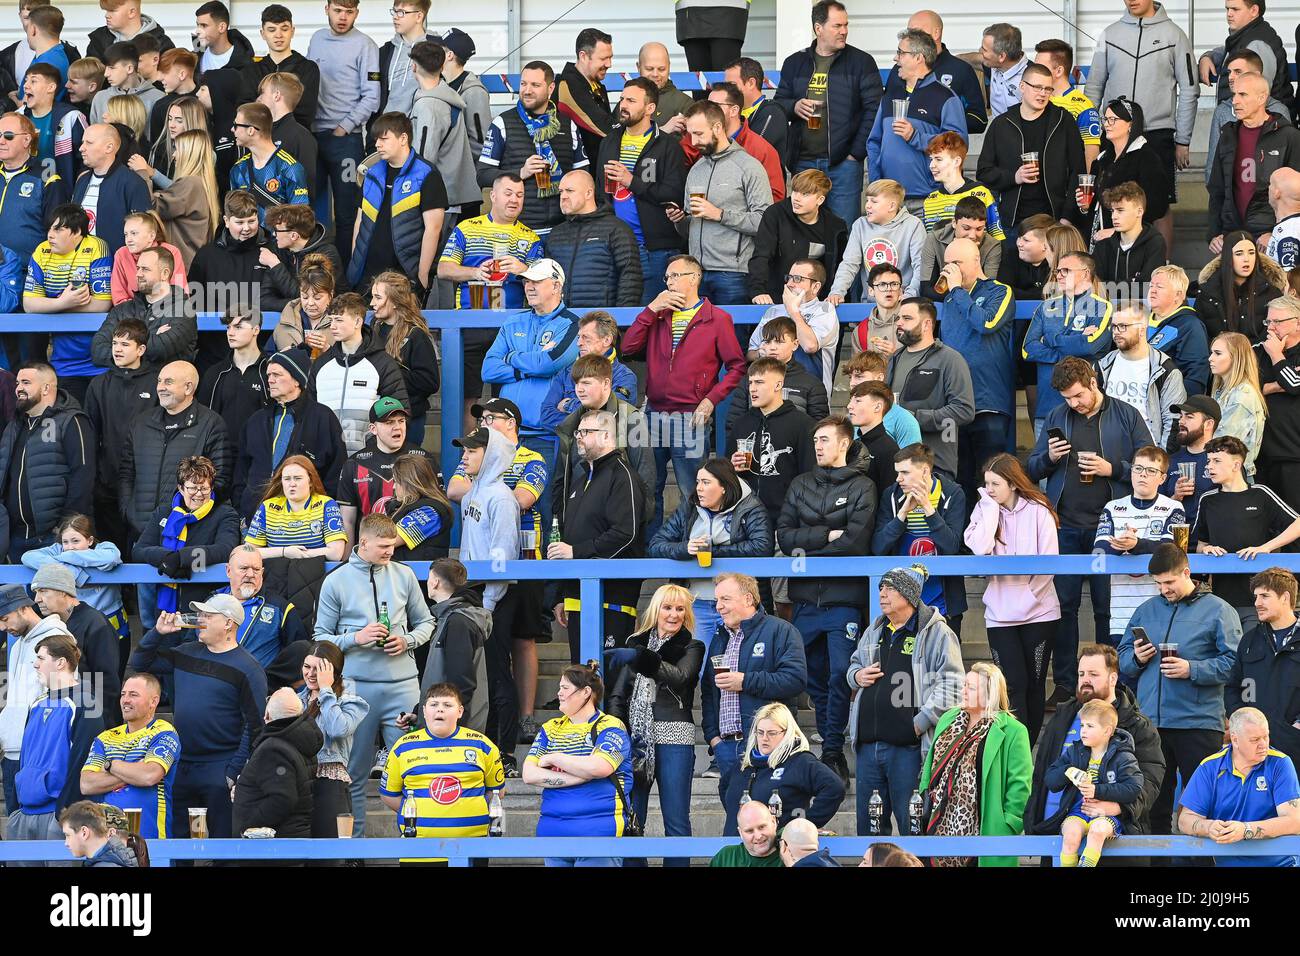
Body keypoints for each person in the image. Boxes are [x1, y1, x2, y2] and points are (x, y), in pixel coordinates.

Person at [1028, 356, 1153, 699]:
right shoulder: (1057, 416)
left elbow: (1149, 467)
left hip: (1110, 526)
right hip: (1064, 524)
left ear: (1094, 382)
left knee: (1106, 608)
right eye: (1067, 398)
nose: (1073, 403)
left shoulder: (1126, 414)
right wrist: (1049, 458)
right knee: (1063, 607)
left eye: (1078, 396)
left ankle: (1111, 685)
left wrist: (1111, 468)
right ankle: (1067, 684)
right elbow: (1032, 468)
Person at [315, 512, 434, 837]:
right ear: (362, 543)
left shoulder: (404, 574)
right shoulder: (336, 580)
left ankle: (414, 845)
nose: (389, 552)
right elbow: (320, 637)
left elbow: (427, 623)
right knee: (352, 772)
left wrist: (407, 639)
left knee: (411, 769)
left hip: (402, 689)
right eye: (383, 547)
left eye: (392, 546)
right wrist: (356, 637)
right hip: (357, 690)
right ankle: (354, 850)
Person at [1118, 543, 1243, 837]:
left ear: (1187, 573)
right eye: (1158, 583)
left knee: (1203, 809)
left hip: (1198, 724)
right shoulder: (1146, 610)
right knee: (1152, 808)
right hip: (1151, 725)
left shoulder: (1220, 611)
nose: (1164, 589)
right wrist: (1137, 657)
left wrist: (1193, 669)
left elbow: (1235, 665)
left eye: (1169, 582)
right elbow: (1123, 657)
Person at [775, 416, 875, 780]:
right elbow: (785, 537)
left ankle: (833, 750)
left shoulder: (864, 485)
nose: (817, 446)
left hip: (844, 600)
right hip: (803, 600)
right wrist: (824, 536)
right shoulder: (801, 483)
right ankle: (825, 741)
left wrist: (807, 550)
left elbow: (855, 543)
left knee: (838, 676)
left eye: (825, 440)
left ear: (844, 444)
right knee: (809, 677)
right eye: (815, 440)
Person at [622, 255, 745, 532]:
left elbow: (737, 366)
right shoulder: (658, 314)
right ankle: (651, 552)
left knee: (693, 489)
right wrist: (651, 309)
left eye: (675, 276)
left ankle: (691, 559)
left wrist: (711, 400)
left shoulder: (717, 319)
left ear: (694, 278)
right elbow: (628, 348)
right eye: (667, 277)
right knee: (647, 487)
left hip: (691, 416)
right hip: (653, 413)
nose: (669, 282)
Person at [127, 594, 264, 840]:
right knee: (179, 838)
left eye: (207, 616)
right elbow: (140, 662)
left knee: (222, 841)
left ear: (228, 623)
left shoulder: (249, 667)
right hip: (182, 763)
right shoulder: (186, 652)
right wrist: (158, 632)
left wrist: (232, 771)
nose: (200, 620)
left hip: (220, 764)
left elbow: (254, 725)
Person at [1026, 643, 1165, 849]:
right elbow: (1042, 774)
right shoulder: (1062, 716)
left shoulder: (1136, 725)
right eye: (1081, 674)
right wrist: (1032, 820)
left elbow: (1149, 782)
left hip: (1112, 839)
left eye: (1093, 674)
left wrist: (1120, 808)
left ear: (1113, 678)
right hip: (1055, 835)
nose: (1085, 680)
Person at [1086, 0, 1196, 253]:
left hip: (1158, 133)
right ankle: (1113, 262)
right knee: (1111, 200)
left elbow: (1189, 89)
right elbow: (1093, 87)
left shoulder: (1175, 35)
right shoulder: (1110, 34)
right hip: (1113, 134)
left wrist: (1183, 140)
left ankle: (1162, 267)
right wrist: (1089, 135)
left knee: (1160, 204)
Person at [966, 453, 1062, 743]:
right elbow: (979, 548)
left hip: (1039, 613)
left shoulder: (1039, 511)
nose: (990, 489)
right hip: (999, 614)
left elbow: (1049, 564)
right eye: (986, 484)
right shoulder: (985, 510)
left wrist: (1027, 600)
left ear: (1013, 484)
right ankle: (1014, 747)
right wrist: (990, 510)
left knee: (1034, 683)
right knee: (1011, 684)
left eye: (995, 484)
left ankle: (1028, 751)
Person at [605, 584, 703, 865]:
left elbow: (680, 677)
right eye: (667, 607)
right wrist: (619, 733)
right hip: (636, 740)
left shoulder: (692, 645)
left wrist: (640, 657)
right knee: (632, 820)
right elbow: (617, 695)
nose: (673, 614)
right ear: (656, 610)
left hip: (676, 739)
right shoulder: (636, 641)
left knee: (677, 823)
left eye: (680, 609)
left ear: (687, 614)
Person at [700, 572, 807, 814]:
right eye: (717, 600)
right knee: (735, 824)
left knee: (768, 822)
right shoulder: (720, 637)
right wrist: (713, 737)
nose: (718, 607)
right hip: (726, 747)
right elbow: (708, 690)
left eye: (725, 599)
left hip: (767, 746)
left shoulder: (781, 630)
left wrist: (745, 681)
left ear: (748, 599)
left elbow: (795, 679)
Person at [548, 409, 647, 663]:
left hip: (612, 597)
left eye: (585, 432)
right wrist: (562, 596)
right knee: (580, 672)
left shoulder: (623, 476)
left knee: (607, 676)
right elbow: (570, 538)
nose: (578, 437)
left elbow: (626, 533)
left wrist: (576, 553)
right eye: (578, 432)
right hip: (577, 595)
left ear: (606, 436)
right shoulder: (580, 480)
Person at [775, 1, 883, 228]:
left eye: (846, 25)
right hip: (803, 163)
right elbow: (778, 104)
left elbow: (874, 110)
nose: (844, 31)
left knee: (843, 230)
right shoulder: (795, 63)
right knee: (802, 231)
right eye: (837, 26)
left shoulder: (861, 62)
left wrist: (855, 153)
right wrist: (794, 106)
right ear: (818, 28)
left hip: (843, 165)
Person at [451, 427, 525, 760]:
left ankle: (505, 751)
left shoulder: (501, 497)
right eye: (463, 451)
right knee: (478, 673)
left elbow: (503, 553)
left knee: (497, 672)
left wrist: (490, 604)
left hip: (495, 595)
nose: (464, 456)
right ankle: (485, 742)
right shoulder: (471, 495)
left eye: (472, 451)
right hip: (472, 592)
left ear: (491, 454)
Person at [918, 663, 1033, 866]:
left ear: (990, 693)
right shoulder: (948, 719)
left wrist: (1009, 824)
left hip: (986, 830)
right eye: (964, 685)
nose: (962, 691)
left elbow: (1020, 785)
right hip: (938, 827)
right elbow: (930, 764)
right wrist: (924, 795)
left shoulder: (1014, 730)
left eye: (970, 688)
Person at [648, 458, 772, 646]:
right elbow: (655, 545)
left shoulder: (750, 507)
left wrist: (714, 551)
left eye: (706, 482)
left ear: (724, 487)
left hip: (738, 602)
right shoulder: (689, 508)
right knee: (697, 666)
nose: (699, 488)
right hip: (696, 602)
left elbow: (761, 547)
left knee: (739, 664)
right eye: (698, 482)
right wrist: (685, 548)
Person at [523, 663, 631, 866]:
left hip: (598, 834)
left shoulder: (611, 725)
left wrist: (554, 758)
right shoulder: (550, 727)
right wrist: (580, 775)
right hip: (552, 833)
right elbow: (529, 774)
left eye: (565, 688)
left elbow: (601, 767)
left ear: (586, 692)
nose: (559, 693)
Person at [381, 682, 503, 861]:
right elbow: (389, 796)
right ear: (424, 711)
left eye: (447, 705)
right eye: (434, 704)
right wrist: (423, 813)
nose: (440, 710)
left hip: (472, 849)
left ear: (460, 711)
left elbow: (497, 793)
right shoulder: (403, 747)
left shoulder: (482, 745)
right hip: (417, 850)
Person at [935, 236, 1015, 506]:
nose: (950, 269)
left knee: (990, 477)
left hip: (988, 401)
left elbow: (986, 323)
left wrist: (957, 290)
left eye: (956, 262)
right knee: (958, 478)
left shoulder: (999, 291)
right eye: (946, 263)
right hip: (954, 405)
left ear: (976, 261)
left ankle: (994, 543)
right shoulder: (949, 300)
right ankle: (963, 544)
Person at [592, 76, 686, 302]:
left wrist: (631, 181)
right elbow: (600, 193)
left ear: (650, 108)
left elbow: (673, 193)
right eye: (622, 99)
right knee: (615, 319)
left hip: (652, 249)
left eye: (631, 101)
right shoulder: (609, 142)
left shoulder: (667, 145)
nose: (623, 105)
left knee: (651, 318)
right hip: (614, 247)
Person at [1194, 435, 1300, 633]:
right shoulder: (1207, 499)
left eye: (1217, 461)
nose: (1209, 467)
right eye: (1208, 461)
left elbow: (1297, 524)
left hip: (1258, 599)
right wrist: (1206, 549)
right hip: (1220, 600)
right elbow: (1199, 544)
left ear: (1236, 465)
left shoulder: (1261, 493)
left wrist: (1266, 547)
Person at [476, 60, 589, 239]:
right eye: (523, 84)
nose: (527, 90)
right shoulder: (502, 123)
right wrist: (520, 172)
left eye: (535, 85)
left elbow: (583, 174)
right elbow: (482, 175)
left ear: (551, 88)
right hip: (518, 230)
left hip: (563, 229)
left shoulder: (568, 124)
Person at [119, 361, 230, 542]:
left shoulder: (211, 424)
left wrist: (188, 513)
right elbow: (126, 473)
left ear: (188, 387)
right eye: (159, 381)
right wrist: (127, 509)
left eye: (168, 382)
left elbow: (220, 479)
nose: (160, 387)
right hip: (139, 530)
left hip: (187, 531)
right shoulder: (141, 423)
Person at [232, 348, 346, 520]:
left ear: (297, 380)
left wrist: (321, 511)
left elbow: (335, 471)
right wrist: (242, 507)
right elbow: (241, 470)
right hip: (255, 518)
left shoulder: (322, 417)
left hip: (305, 521)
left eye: (277, 375)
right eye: (269, 375)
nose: (270, 380)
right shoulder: (256, 420)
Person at [307, 0, 379, 270]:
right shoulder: (315, 39)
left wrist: (345, 126)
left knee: (348, 211)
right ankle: (314, 271)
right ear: (326, 9)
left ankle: (348, 273)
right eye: (338, 10)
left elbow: (372, 96)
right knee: (310, 209)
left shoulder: (366, 46)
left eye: (349, 12)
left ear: (356, 14)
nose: (343, 17)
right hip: (313, 138)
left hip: (345, 141)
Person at [1178, 707, 1300, 866]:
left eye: (1266, 736)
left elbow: (1295, 821)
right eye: (1255, 740)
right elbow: (1184, 820)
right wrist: (1209, 827)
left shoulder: (1280, 763)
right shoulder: (1210, 767)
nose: (1263, 744)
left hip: (1280, 864)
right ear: (1235, 740)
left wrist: (1246, 830)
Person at [130, 455, 239, 632]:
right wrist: (166, 558)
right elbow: (139, 551)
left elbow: (225, 550)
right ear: (181, 488)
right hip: (162, 614)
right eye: (192, 488)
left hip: (203, 611)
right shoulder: (163, 512)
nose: (198, 494)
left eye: (204, 488)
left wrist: (182, 558)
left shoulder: (225, 514)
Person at [680, 100, 772, 305]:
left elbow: (765, 222)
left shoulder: (749, 167)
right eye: (690, 134)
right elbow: (690, 226)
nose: (693, 142)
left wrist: (719, 214)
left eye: (699, 134)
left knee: (733, 337)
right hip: (696, 273)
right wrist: (679, 220)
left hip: (734, 274)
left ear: (718, 127)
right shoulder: (696, 169)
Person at [0, 363, 95, 560]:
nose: (18, 388)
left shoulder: (72, 420)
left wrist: (66, 528)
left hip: (53, 537)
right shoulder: (14, 425)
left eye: (26, 382)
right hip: (15, 537)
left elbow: (83, 476)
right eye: (17, 383)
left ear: (45, 388)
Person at [977, 62, 1086, 229]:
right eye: (1037, 87)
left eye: (1048, 89)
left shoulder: (1063, 121)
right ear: (1022, 86)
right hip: (1013, 222)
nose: (1042, 94)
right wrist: (1014, 177)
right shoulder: (1002, 124)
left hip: (1054, 221)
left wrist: (1066, 217)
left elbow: (1078, 171)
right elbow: (984, 172)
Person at [869, 28, 966, 214]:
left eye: (900, 53)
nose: (895, 59)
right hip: (889, 200)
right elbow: (874, 142)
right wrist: (877, 183)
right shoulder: (889, 96)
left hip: (928, 200)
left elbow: (958, 144)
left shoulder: (945, 97)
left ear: (918, 57)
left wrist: (915, 136)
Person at [347, 113, 446, 296]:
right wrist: (355, 262)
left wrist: (422, 276)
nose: (377, 144)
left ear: (403, 138)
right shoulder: (372, 174)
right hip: (366, 275)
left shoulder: (427, 174)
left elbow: (433, 228)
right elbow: (359, 221)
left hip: (404, 275)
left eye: (384, 138)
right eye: (376, 139)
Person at [873, 444, 967, 633]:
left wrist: (928, 509)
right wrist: (902, 515)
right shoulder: (891, 495)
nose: (898, 479)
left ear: (925, 470)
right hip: (901, 602)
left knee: (941, 660)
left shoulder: (952, 493)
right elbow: (878, 546)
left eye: (905, 473)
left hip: (942, 602)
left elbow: (952, 546)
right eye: (897, 473)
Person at [1095, 444, 1185, 642]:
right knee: (1125, 670)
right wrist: (1122, 544)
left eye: (1151, 470)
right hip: (1120, 612)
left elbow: (1170, 550)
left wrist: (1135, 545)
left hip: (1161, 609)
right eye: (1138, 468)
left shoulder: (1173, 508)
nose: (1142, 475)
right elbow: (1099, 552)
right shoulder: (1112, 507)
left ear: (1162, 478)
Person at [22, 204, 112, 398]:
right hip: (64, 364)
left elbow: (102, 304)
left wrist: (50, 306)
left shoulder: (97, 247)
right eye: (49, 229)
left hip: (100, 363)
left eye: (58, 229)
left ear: (77, 232)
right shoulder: (41, 251)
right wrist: (64, 302)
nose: (50, 235)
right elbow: (29, 305)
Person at [23, 516, 128, 674]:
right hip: (76, 627)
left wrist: (68, 558)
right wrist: (75, 573)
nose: (70, 547)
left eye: (75, 541)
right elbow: (27, 557)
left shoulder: (104, 547)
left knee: (111, 676)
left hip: (114, 626)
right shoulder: (58, 550)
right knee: (78, 676)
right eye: (65, 542)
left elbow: (112, 558)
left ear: (90, 540)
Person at [1047, 697, 1145, 867]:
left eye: (1090, 726)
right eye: (1082, 725)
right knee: (1070, 835)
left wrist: (1097, 790)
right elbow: (1050, 780)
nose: (1083, 731)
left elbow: (1133, 787)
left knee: (1097, 831)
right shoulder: (1075, 752)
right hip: (1078, 811)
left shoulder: (1123, 756)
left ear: (1107, 731)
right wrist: (1067, 771)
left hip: (1106, 815)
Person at [309, 293, 410, 456]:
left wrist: (377, 452)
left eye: (339, 320)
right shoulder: (321, 365)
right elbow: (309, 414)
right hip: (326, 460)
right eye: (331, 320)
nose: (332, 326)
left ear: (357, 321)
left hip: (370, 461)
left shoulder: (383, 363)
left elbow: (400, 412)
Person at [1208, 74, 1300, 251]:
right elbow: (1217, 189)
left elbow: (1296, 195)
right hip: (1232, 236)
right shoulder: (1228, 135)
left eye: (1242, 95)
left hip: (1271, 240)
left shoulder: (1289, 137)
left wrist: (1277, 233)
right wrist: (1214, 233)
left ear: (1262, 98)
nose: (1235, 101)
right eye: (1233, 94)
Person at [884, 298, 975, 479]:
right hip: (899, 463)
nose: (899, 323)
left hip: (935, 463)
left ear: (927, 325)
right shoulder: (895, 358)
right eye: (898, 318)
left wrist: (915, 418)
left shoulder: (950, 359)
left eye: (907, 318)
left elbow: (964, 410)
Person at [1022, 252, 1114, 428]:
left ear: (1085, 273)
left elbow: (1089, 346)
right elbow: (1027, 350)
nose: (1059, 275)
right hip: (1046, 408)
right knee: (1045, 456)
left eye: (1066, 270)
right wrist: (1070, 349)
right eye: (1058, 271)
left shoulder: (1101, 306)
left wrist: (1048, 339)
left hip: (1083, 409)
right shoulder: (1046, 306)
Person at [724, 701, 844, 835]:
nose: (764, 738)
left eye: (772, 733)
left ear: (786, 733)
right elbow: (724, 787)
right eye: (760, 732)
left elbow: (834, 788)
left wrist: (803, 824)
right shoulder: (743, 763)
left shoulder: (800, 761)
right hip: (735, 846)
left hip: (779, 849)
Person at [726, 357, 817, 527]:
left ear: (778, 385)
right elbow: (725, 475)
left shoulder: (803, 424)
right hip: (746, 518)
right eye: (751, 382)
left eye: (759, 382)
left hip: (787, 519)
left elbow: (809, 476)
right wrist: (732, 468)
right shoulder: (741, 424)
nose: (752, 388)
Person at [30, 563, 122, 726]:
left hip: (90, 722)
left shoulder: (95, 623)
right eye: (36, 592)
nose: (37, 599)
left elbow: (106, 682)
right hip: (59, 717)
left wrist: (94, 722)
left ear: (64, 591)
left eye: (43, 591)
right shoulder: (48, 623)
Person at [747, 169, 847, 310]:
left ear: (820, 200)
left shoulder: (835, 226)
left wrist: (836, 295)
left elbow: (839, 266)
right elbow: (761, 255)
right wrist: (758, 291)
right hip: (776, 299)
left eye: (805, 194)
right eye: (795, 191)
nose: (796, 198)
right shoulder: (775, 214)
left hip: (818, 303)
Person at [336, 396, 433, 542]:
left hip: (413, 554)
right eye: (389, 423)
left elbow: (435, 510)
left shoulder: (423, 459)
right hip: (369, 553)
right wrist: (346, 561)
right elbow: (347, 520)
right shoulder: (354, 464)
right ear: (373, 429)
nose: (397, 427)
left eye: (401, 421)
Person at [230, 687, 322, 840]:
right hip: (293, 839)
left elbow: (282, 799)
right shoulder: (300, 740)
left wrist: (247, 828)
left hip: (272, 847)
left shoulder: (273, 748)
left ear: (267, 715)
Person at [1229, 568, 1300, 764]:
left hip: (1295, 745)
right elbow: (1234, 686)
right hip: (1253, 748)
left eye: (1265, 596)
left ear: (1285, 597)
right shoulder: (1249, 640)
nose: (1257, 603)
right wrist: (1241, 722)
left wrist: (1295, 727)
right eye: (1256, 597)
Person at [1078, 99, 1171, 247]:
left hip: (1130, 243)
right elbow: (1095, 203)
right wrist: (1085, 206)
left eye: (1113, 119)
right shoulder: (1102, 159)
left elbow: (1156, 205)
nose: (1107, 124)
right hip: (1097, 238)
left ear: (1130, 124)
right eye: (1105, 119)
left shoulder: (1146, 158)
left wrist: (1117, 230)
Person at [544, 170, 642, 308]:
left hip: (601, 323)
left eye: (570, 191)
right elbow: (547, 280)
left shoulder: (616, 229)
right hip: (562, 322)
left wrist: (620, 322)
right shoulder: (556, 233)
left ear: (589, 193)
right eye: (561, 191)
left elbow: (631, 279)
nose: (563, 196)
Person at [90, 246, 197, 369]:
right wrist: (152, 335)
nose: (138, 274)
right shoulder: (122, 310)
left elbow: (159, 349)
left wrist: (123, 351)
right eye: (138, 268)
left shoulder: (184, 310)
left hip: (160, 385)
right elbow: (97, 350)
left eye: (145, 269)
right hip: (122, 384)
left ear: (165, 274)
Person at [407, 40, 478, 223]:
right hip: (458, 194)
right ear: (441, 65)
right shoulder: (448, 97)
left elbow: (424, 158)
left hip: (440, 201)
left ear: (413, 67)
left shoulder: (428, 106)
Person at [207, 544, 307, 669]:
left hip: (257, 685)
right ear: (228, 571)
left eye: (256, 569)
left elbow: (299, 654)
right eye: (244, 568)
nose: (250, 574)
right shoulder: (212, 602)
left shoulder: (281, 608)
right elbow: (192, 641)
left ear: (262, 573)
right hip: (212, 680)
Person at [1098, 306, 1185, 448]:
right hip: (1109, 450)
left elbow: (1173, 421)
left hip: (1147, 452)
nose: (1116, 332)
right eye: (1113, 326)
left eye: (1123, 326)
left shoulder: (1165, 369)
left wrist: (1160, 458)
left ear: (1142, 329)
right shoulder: (1103, 366)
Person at [418, 558, 490, 730]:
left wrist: (452, 723)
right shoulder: (452, 618)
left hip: (452, 729)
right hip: (447, 724)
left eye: (429, 578)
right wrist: (418, 712)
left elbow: (460, 680)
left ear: (435, 582)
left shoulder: (458, 622)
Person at [750, 261, 841, 396]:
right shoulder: (773, 311)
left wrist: (793, 311)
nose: (790, 284)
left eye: (798, 279)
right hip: (770, 393)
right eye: (789, 277)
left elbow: (810, 346)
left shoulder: (825, 309)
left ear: (815, 287)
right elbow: (750, 353)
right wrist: (762, 352)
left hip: (810, 396)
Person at [368, 274, 438, 442]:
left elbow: (430, 382)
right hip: (376, 416)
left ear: (394, 301)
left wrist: (391, 372)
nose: (371, 303)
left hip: (408, 418)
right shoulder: (373, 328)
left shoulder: (416, 335)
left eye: (377, 297)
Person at [829, 179, 926, 302]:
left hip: (904, 302)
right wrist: (837, 291)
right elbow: (849, 263)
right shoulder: (860, 225)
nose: (867, 205)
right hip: (870, 304)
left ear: (892, 206)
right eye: (867, 200)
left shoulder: (913, 225)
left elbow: (920, 266)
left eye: (874, 201)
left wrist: (910, 295)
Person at [540, 311, 638, 432]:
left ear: (607, 340)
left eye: (585, 338)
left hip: (607, 449)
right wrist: (591, 420)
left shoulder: (624, 376)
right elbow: (546, 417)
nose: (578, 343)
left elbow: (612, 414)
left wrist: (568, 405)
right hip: (569, 449)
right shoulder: (566, 372)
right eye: (578, 337)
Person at [244, 454, 348, 562]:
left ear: (310, 481)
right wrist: (284, 552)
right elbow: (248, 551)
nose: (292, 484)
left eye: (298, 478)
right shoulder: (268, 507)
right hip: (277, 575)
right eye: (287, 479)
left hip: (317, 575)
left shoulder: (326, 505)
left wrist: (299, 554)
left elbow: (336, 553)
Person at [72, 122, 153, 256]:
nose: (81, 148)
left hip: (115, 266)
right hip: (79, 264)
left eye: (89, 143)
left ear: (109, 147)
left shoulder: (133, 183)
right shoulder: (82, 180)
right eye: (82, 142)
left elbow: (143, 234)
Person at [736, 315, 830, 422]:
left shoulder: (811, 383)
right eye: (767, 342)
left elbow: (819, 426)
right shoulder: (748, 381)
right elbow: (735, 424)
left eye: (779, 342)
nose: (772, 347)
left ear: (795, 345)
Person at [702, 82, 785, 202]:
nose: (707, 112)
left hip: (745, 218)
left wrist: (734, 211)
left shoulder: (762, 150)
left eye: (715, 106)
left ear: (734, 110)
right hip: (704, 217)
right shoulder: (700, 139)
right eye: (706, 106)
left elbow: (775, 198)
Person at [1197, 231, 1286, 343]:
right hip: (1218, 357)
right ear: (1228, 257)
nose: (1246, 259)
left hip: (1259, 358)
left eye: (1251, 252)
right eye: (1239, 253)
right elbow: (1201, 338)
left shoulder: (1272, 293)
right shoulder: (1207, 293)